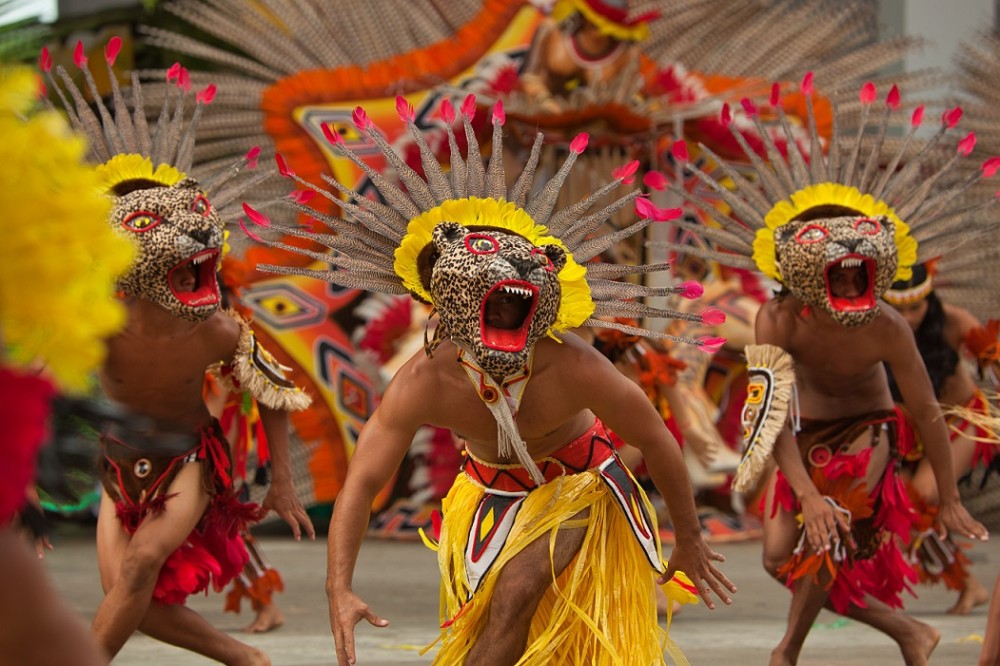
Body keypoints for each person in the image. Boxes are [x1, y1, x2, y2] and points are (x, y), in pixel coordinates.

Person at [242, 95, 735, 664]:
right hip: (486, 494)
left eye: (515, 306)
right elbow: (361, 483)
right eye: (491, 304)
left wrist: (691, 539)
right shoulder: (424, 381)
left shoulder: (573, 364)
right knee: (505, 635)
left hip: (579, 485)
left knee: (517, 596)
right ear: (453, 304)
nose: (505, 317)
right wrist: (338, 587)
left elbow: (655, 439)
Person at [664, 76, 993, 666]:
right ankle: (907, 632)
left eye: (856, 273)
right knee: (776, 557)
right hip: (799, 437)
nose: (846, 284)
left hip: (867, 432)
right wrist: (806, 492)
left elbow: (922, 410)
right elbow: (773, 413)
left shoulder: (888, 326)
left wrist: (948, 497)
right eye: (834, 274)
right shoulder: (777, 320)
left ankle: (786, 651)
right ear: (806, 273)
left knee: (827, 541)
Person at [40, 40, 315, 663]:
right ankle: (247, 658)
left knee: (139, 568)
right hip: (117, 465)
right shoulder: (99, 326)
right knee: (132, 596)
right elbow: (34, 382)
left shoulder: (218, 330)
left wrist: (284, 483)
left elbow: (274, 389)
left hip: (186, 460)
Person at [0, 63, 132, 666]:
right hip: (131, 467)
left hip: (170, 458)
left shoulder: (217, 328)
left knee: (138, 572)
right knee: (138, 574)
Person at [883, 263, 997, 614]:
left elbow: (993, 357)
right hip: (906, 432)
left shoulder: (954, 321)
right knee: (899, 506)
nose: (908, 317)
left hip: (959, 421)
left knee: (924, 494)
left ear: (928, 300)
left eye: (914, 308)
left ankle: (970, 586)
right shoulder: (874, 328)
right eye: (898, 309)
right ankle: (969, 585)